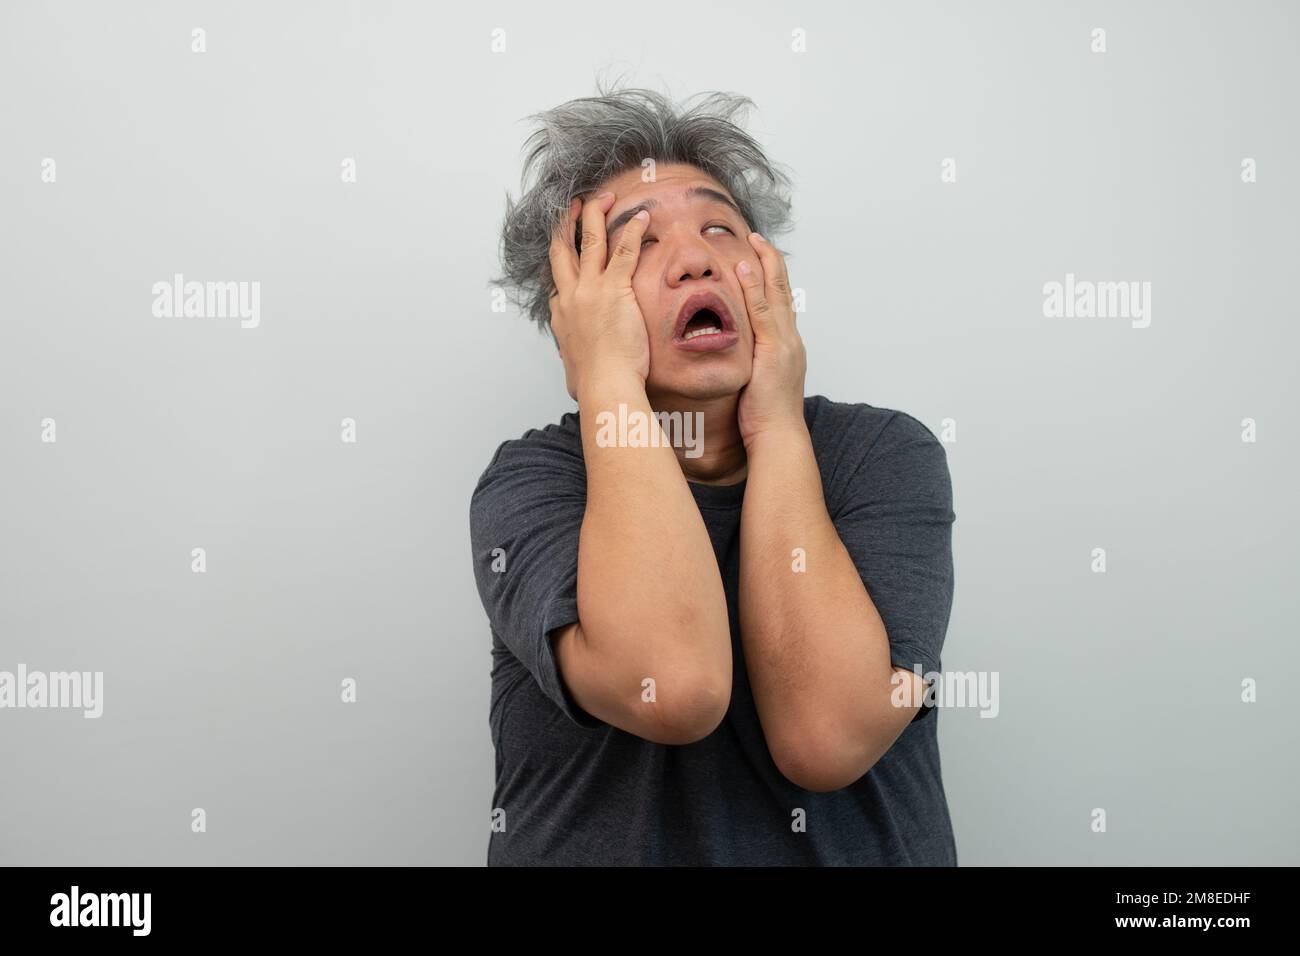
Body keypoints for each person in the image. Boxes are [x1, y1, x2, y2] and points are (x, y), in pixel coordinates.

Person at [472, 85, 958, 865]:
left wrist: (778, 425)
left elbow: (826, 737)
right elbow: (675, 685)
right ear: (572, 310)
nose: (696, 257)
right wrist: (605, 384)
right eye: (637, 244)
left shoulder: (882, 457)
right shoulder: (532, 483)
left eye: (720, 228)